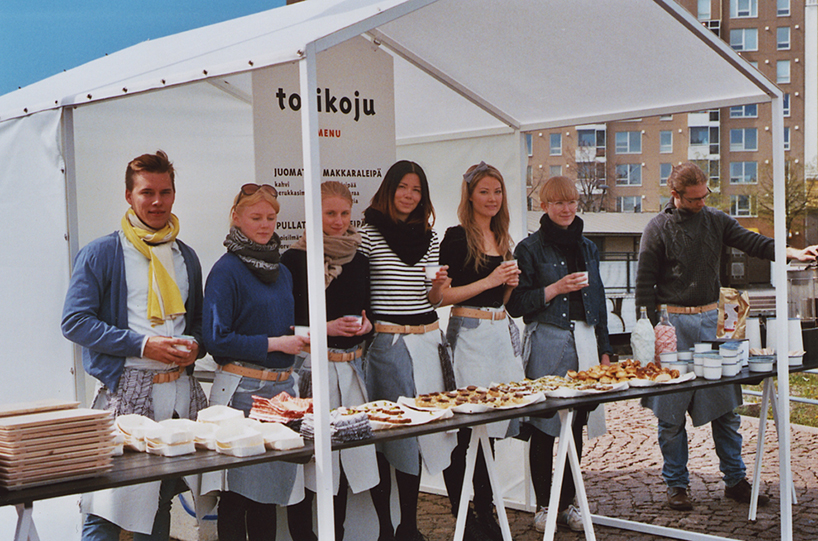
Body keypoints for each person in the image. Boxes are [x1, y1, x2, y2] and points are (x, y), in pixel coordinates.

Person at [635, 161, 818, 511]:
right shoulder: (656, 228)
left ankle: (735, 480)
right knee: (670, 414)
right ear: (675, 196)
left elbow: (752, 242)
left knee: (726, 409)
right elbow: (644, 285)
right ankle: (677, 484)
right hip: (671, 324)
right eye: (693, 199)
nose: (701, 203)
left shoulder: (716, 220)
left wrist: (792, 251)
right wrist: (649, 335)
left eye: (705, 196)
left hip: (712, 322)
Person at [62, 150, 208, 541]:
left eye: (165, 192)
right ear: (129, 196)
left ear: (174, 195)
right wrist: (144, 345)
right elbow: (74, 322)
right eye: (147, 192)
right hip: (126, 391)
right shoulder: (102, 253)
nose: (157, 201)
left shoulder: (185, 255)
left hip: (178, 392)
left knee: (161, 496)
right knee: (108, 505)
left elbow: (196, 324)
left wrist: (194, 345)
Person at [202, 183, 310, 541]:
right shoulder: (226, 270)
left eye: (271, 217)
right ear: (236, 218)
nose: (265, 225)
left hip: (281, 389)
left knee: (267, 495)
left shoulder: (282, 270)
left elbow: (284, 326)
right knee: (237, 493)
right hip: (243, 390)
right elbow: (216, 339)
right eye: (256, 217)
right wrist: (277, 343)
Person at [506, 175, 612, 533]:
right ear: (544, 206)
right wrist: (555, 289)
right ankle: (542, 506)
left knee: (576, 425)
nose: (566, 209)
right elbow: (518, 304)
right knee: (544, 426)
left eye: (571, 202)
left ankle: (568, 505)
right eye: (558, 203)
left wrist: (605, 350)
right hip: (549, 340)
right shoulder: (529, 248)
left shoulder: (588, 247)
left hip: (584, 342)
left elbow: (597, 300)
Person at [360, 160, 456, 541]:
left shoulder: (430, 239)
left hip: (427, 339)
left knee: (420, 435)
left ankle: (409, 526)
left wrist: (439, 286)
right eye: (403, 187)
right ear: (389, 189)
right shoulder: (367, 234)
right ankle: (386, 527)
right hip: (387, 343)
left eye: (416, 190)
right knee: (389, 435)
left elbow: (431, 297)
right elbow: (360, 291)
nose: (409, 195)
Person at [280, 181, 378, 541]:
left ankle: (336, 535)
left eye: (344, 214)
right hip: (309, 369)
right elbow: (284, 323)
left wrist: (366, 327)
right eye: (330, 214)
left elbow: (366, 314)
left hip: (350, 370)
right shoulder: (292, 260)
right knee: (307, 462)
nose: (338, 222)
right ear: (313, 215)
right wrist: (327, 327)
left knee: (343, 461)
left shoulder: (359, 258)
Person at [438, 162, 523, 541]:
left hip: (499, 334)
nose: (492, 198)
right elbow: (441, 297)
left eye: (498, 192)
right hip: (468, 335)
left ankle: (486, 507)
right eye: (485, 191)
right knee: (464, 427)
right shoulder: (456, 237)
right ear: (470, 195)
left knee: (493, 428)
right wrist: (490, 279)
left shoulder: (505, 237)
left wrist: (507, 285)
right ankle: (462, 510)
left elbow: (500, 299)